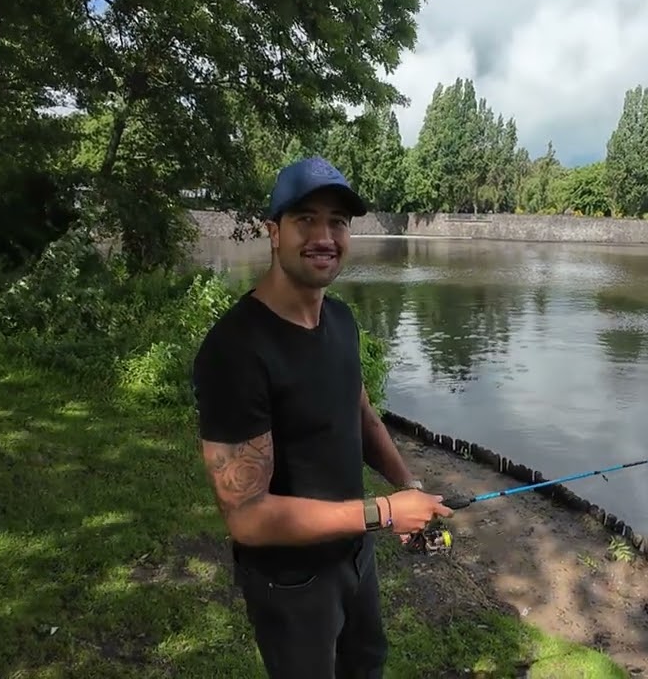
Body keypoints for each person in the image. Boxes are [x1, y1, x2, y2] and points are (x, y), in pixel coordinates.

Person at [190, 156, 455, 678]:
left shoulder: (340, 318)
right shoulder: (236, 351)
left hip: (355, 558)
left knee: (367, 665)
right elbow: (246, 515)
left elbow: (360, 415)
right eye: (305, 218)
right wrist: (383, 512)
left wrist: (409, 487)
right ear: (273, 231)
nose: (324, 235)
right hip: (292, 582)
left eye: (337, 221)